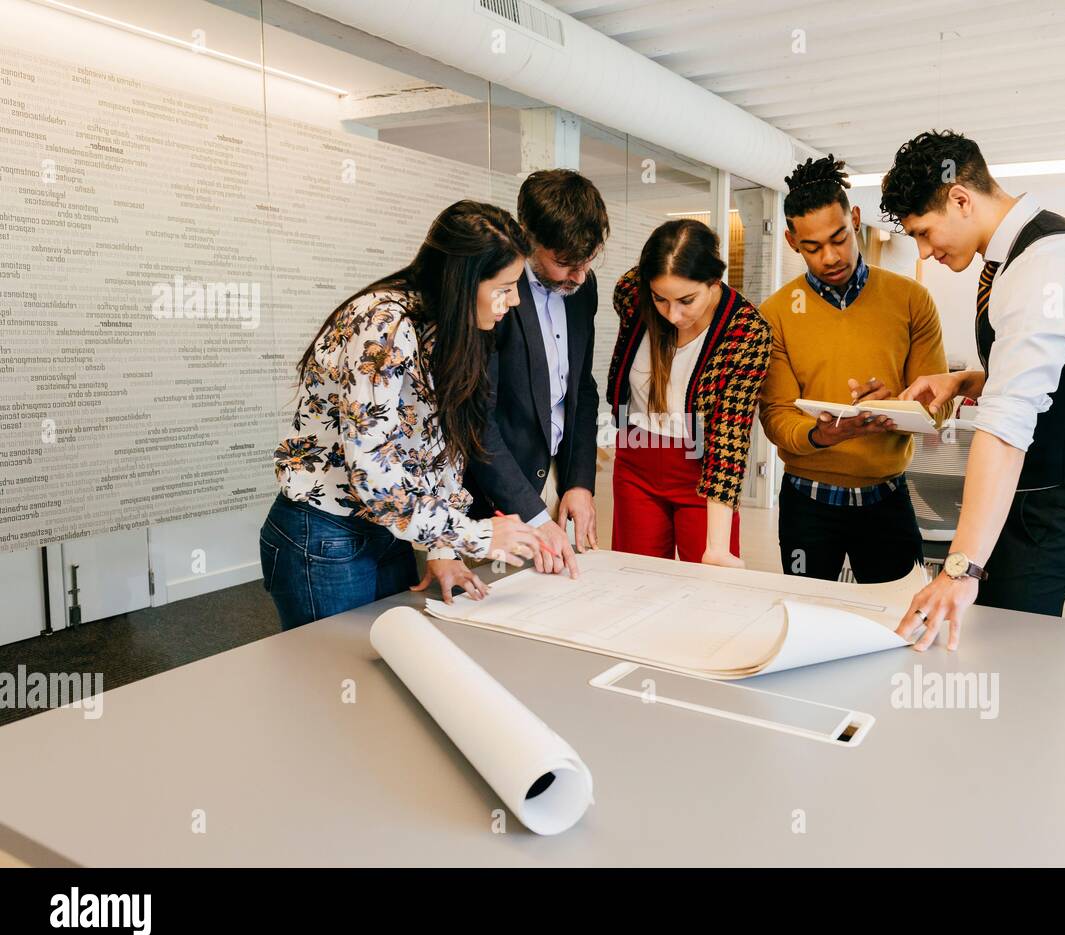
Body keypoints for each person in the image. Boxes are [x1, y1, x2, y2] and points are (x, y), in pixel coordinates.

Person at [879, 130, 1065, 650]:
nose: (925, 251)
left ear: (960, 199)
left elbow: (1010, 422)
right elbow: (1037, 372)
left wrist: (958, 569)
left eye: (923, 232)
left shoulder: (1050, 263)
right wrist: (964, 380)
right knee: (987, 638)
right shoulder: (1016, 258)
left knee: (1007, 648)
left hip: (1051, 505)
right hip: (1026, 496)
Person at [262, 200, 543, 628]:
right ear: (463, 280)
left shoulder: (448, 326)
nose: (514, 300)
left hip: (389, 527)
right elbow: (372, 468)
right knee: (330, 677)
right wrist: (474, 534)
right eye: (503, 288)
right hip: (325, 533)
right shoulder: (383, 323)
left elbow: (443, 445)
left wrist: (443, 549)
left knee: (386, 660)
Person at [758, 155, 951, 583]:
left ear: (856, 219)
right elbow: (776, 415)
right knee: (807, 617)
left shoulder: (911, 301)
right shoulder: (775, 314)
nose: (830, 257)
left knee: (898, 621)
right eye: (812, 247)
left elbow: (939, 408)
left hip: (887, 500)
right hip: (806, 502)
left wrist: (899, 405)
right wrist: (818, 435)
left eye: (839, 237)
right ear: (792, 242)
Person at [464, 169, 607, 578]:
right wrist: (531, 512)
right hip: (494, 485)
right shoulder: (493, 292)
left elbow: (581, 387)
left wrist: (579, 482)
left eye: (588, 260)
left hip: (554, 475)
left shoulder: (583, 287)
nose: (579, 276)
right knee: (495, 607)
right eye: (564, 263)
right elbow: (478, 419)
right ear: (526, 238)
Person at [607, 218, 771, 566]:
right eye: (661, 300)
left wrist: (716, 546)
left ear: (714, 280)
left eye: (686, 300)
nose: (672, 314)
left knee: (709, 586)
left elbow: (730, 434)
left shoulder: (746, 333)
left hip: (702, 469)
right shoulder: (632, 293)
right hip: (635, 457)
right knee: (635, 583)